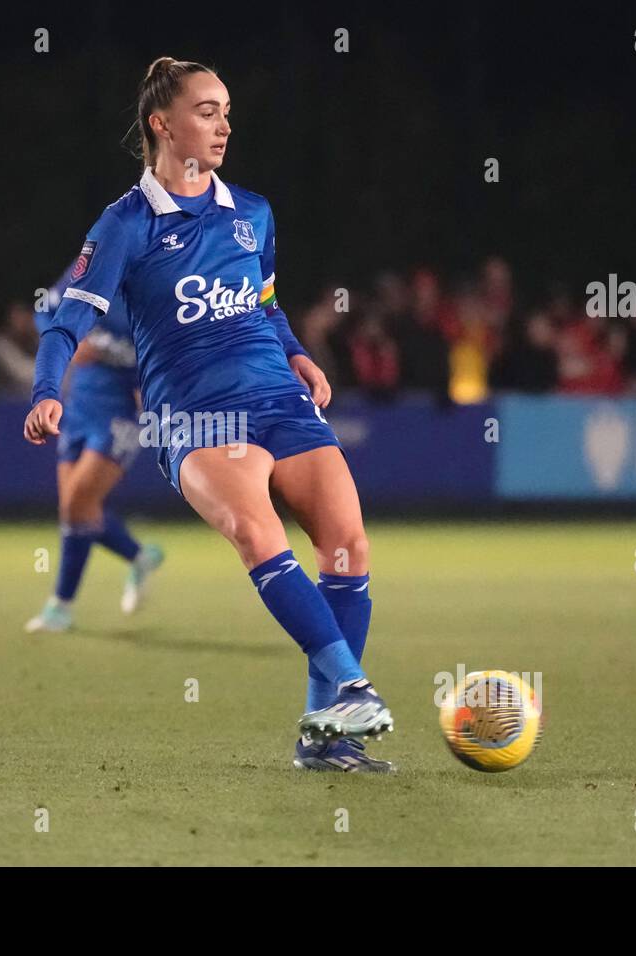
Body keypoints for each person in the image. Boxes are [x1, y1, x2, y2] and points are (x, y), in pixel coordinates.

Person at [24, 57, 395, 772]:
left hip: (278, 397)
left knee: (348, 545)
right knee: (258, 533)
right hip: (194, 416)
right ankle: (347, 687)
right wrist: (48, 389)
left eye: (226, 110)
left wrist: (294, 353)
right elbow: (64, 322)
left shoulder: (252, 212)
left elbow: (265, 301)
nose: (224, 124)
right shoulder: (125, 224)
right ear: (162, 123)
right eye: (207, 110)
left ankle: (328, 738)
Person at [24, 265, 164, 633]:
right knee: (76, 508)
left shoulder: (158, 287)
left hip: (121, 416)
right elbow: (44, 311)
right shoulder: (88, 271)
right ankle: (139, 555)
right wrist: (68, 345)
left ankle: (61, 606)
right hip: (80, 404)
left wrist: (148, 385)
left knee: (76, 504)